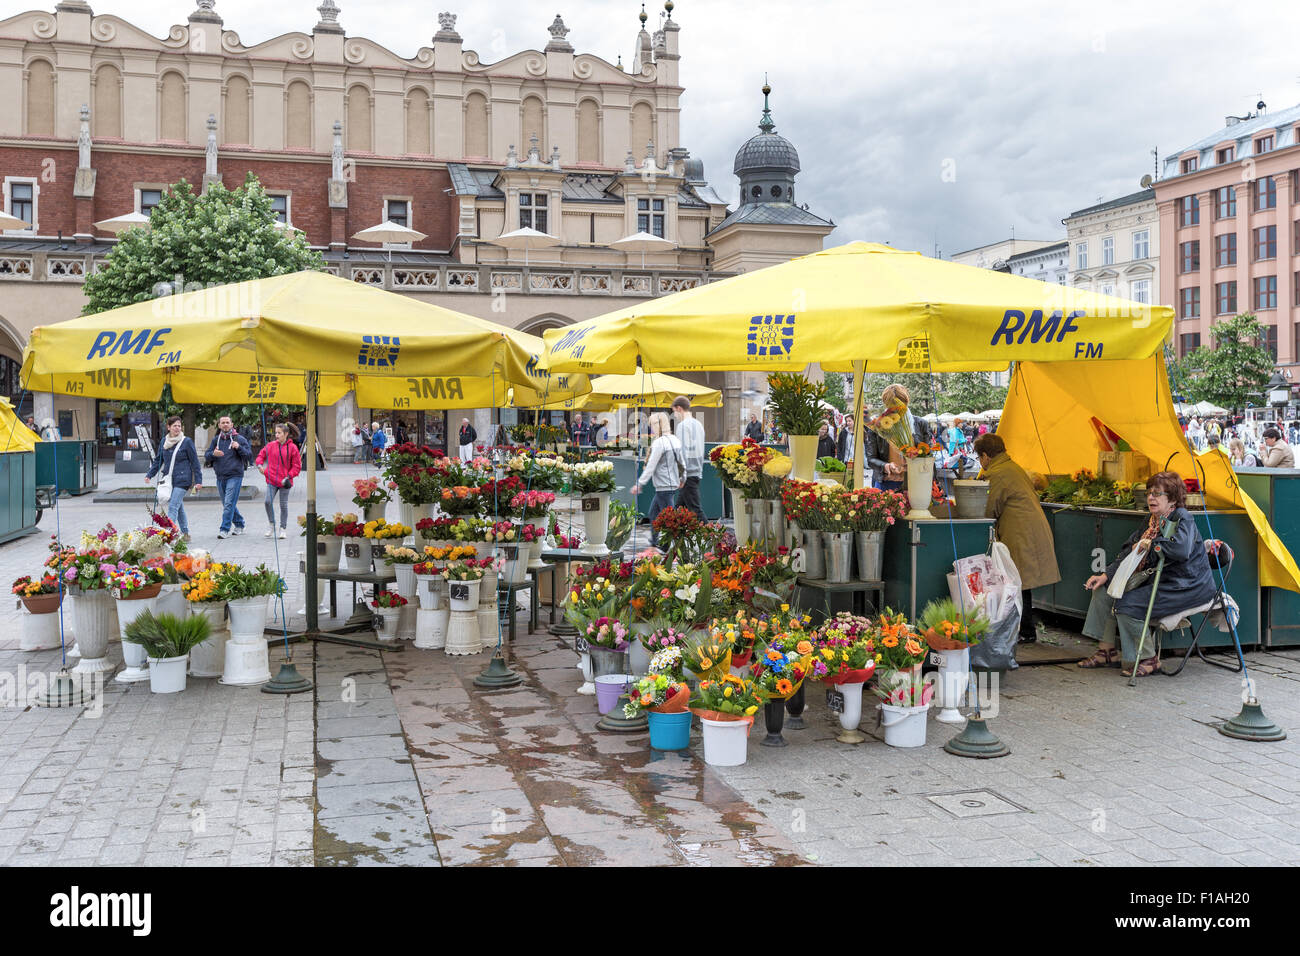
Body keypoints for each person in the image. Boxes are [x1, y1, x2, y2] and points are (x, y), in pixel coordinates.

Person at [1077, 471, 1219, 676]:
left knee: (1127, 604)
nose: (1151, 497)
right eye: (1149, 493)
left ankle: (1149, 658)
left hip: (1186, 585)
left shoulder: (1182, 517)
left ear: (1172, 499)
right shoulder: (1151, 520)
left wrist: (1152, 543)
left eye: (1157, 493)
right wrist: (1106, 575)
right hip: (1160, 580)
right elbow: (1129, 551)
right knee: (1103, 590)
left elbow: (1180, 550)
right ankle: (1107, 651)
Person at [973, 434, 1061, 644]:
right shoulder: (1011, 467)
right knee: (1020, 581)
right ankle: (1026, 630)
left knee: (1016, 581)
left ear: (985, 456)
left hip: (1021, 532)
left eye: (980, 458)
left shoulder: (997, 473)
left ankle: (1025, 631)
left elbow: (988, 508)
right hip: (1027, 529)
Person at [863, 383, 933, 491]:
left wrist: (916, 460)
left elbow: (929, 455)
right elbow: (871, 459)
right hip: (885, 483)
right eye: (892, 405)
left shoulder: (921, 424)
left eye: (901, 405)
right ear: (886, 404)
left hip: (914, 483)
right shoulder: (878, 426)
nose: (897, 409)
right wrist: (886, 466)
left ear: (906, 402)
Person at [631, 411, 685, 548]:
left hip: (664, 486)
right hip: (670, 484)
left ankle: (673, 546)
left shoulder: (660, 443)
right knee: (654, 513)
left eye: (652, 425)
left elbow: (650, 466)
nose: (651, 428)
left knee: (670, 519)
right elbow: (682, 463)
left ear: (658, 425)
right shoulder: (675, 440)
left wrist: (640, 483)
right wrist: (682, 478)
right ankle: (655, 541)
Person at [144, 415, 202, 541]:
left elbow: (195, 463)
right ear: (168, 427)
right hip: (169, 480)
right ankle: (185, 533)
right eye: (174, 426)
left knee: (173, 506)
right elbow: (158, 461)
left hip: (183, 479)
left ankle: (169, 535)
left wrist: (198, 481)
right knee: (178, 506)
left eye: (179, 426)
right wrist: (150, 474)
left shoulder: (186, 442)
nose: (177, 428)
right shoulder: (164, 442)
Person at [204, 415, 252, 539]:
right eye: (223, 423)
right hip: (220, 476)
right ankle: (240, 524)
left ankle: (224, 529)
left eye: (227, 422)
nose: (225, 424)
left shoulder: (239, 439)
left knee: (229, 503)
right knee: (227, 504)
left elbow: (248, 455)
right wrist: (213, 454)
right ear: (219, 425)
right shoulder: (216, 440)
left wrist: (239, 447)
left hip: (235, 476)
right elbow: (207, 455)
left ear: (232, 424)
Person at [255, 422, 302, 539]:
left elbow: (297, 466)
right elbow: (261, 456)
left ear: (286, 434)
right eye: (275, 432)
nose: (276, 435)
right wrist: (260, 465)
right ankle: (272, 524)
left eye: (279, 433)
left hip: (285, 481)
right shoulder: (270, 445)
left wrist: (289, 476)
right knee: (267, 502)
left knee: (283, 505)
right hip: (271, 479)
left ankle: (283, 528)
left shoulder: (292, 448)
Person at [671, 396, 706, 519]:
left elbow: (683, 453)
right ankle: (671, 537)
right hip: (695, 472)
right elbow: (701, 450)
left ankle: (714, 538)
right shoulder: (699, 424)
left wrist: (681, 476)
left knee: (696, 511)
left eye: (674, 412)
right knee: (678, 511)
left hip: (688, 474)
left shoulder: (682, 426)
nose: (674, 415)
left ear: (679, 408)